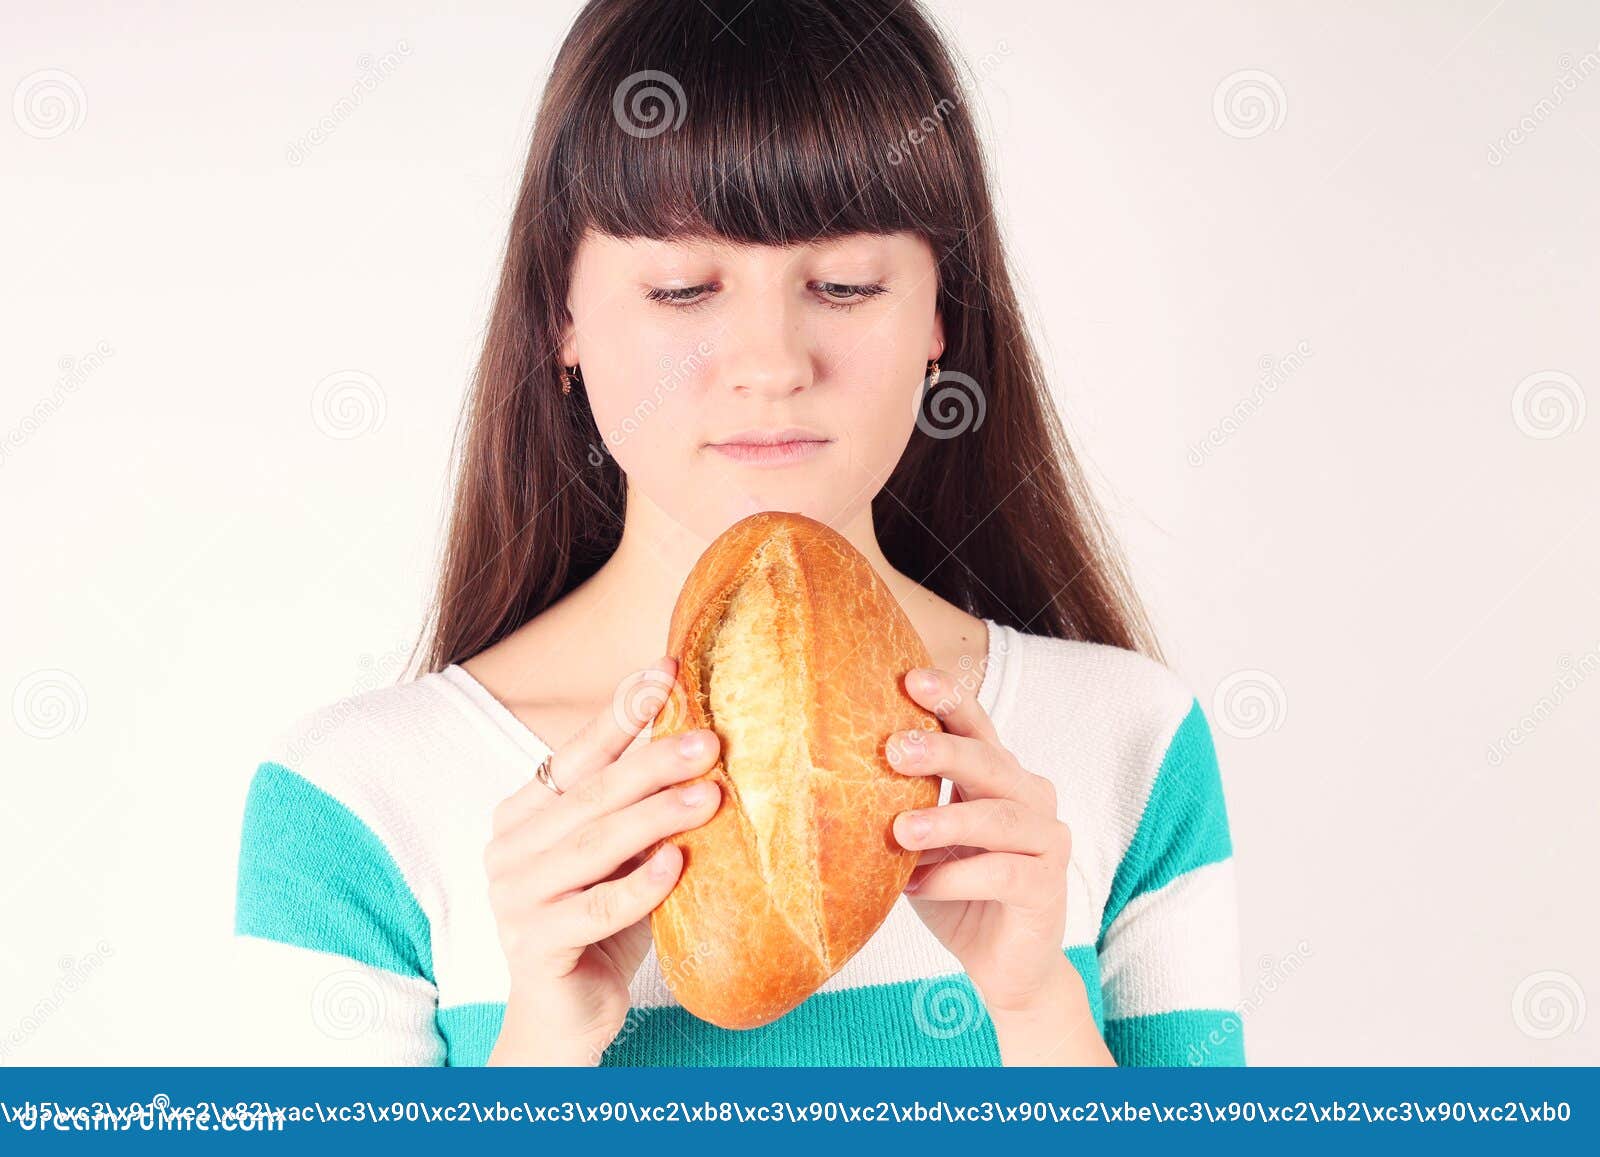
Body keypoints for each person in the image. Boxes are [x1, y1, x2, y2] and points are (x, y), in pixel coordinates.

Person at [233, 0, 1243, 1067]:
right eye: (682, 288)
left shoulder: (1125, 739)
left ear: (942, 311)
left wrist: (1039, 1012)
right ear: (560, 317)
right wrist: (539, 1047)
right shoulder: (354, 800)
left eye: (844, 283)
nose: (771, 362)